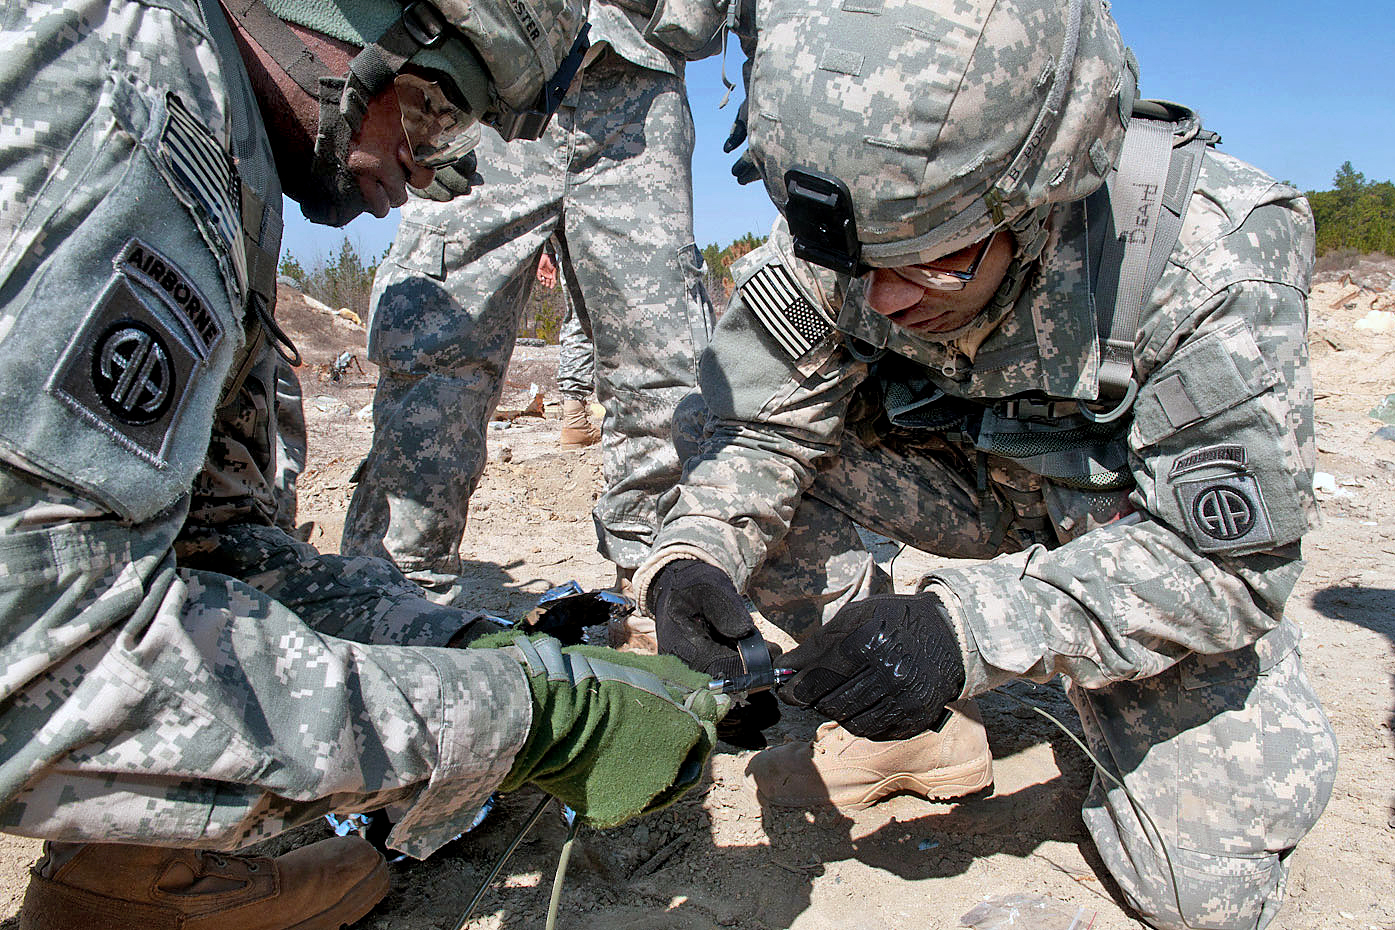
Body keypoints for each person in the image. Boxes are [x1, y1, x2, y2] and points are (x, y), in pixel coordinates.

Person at [0, 2, 727, 928]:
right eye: (437, 109)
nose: (433, 167)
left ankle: (128, 881)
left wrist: (466, 650)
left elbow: (212, 548)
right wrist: (531, 717)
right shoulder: (127, 110)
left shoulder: (229, 137)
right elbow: (39, 652)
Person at [636, 0, 1339, 927]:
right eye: (866, 264)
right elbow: (762, 428)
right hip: (969, 487)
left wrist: (965, 633)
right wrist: (692, 557)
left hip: (1131, 538)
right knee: (714, 420)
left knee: (1197, 894)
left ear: (1039, 194)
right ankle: (896, 714)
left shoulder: (1210, 256)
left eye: (931, 265)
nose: (884, 297)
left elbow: (1225, 565)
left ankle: (980, 663)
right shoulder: (863, 211)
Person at [339, 0, 716, 606]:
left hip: (637, 82)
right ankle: (392, 593)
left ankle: (660, 591)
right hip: (486, 69)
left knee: (663, 358)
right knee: (438, 341)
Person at [537, 243, 603, 448]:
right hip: (620, 230)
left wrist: (548, 248)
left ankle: (574, 420)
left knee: (579, 318)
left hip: (571, 234)